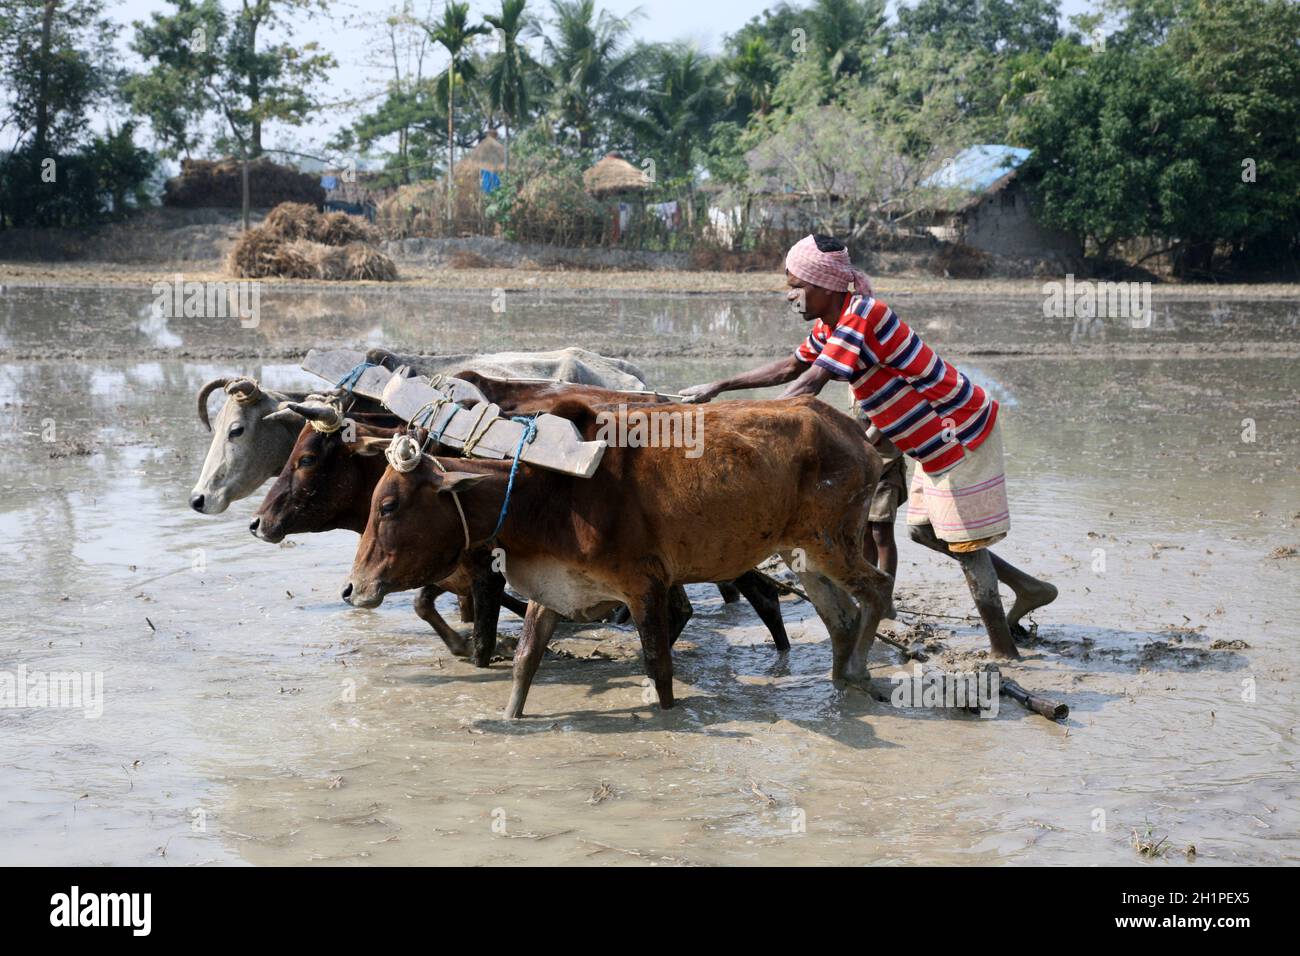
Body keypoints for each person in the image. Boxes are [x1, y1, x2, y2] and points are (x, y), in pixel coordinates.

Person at [680, 234, 1057, 659]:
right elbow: (791, 367)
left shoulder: (863, 314)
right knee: (923, 531)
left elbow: (810, 383)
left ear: (824, 286)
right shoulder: (831, 326)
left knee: (967, 547)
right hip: (928, 444)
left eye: (795, 286)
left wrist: (734, 428)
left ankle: (1003, 651)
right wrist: (722, 385)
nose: (790, 297)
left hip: (963, 430)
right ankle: (1029, 587)